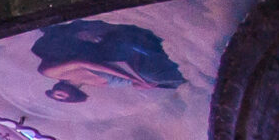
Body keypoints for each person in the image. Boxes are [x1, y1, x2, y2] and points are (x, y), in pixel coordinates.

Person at [31, 19, 185, 103]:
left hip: (119, 55)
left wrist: (133, 78)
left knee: (152, 73)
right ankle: (188, 77)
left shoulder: (51, 72)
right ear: (72, 97)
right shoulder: (93, 84)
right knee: (164, 84)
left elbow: (84, 63)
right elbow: (119, 81)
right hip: (128, 67)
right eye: (60, 97)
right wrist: (136, 84)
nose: (57, 93)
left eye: (53, 93)